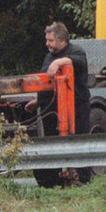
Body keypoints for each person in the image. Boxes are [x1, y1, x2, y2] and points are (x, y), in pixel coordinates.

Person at [41, 21, 91, 183]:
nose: (47, 43)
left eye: (50, 40)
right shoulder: (49, 56)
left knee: (80, 142)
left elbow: (77, 62)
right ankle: (54, 182)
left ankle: (83, 179)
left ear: (62, 41)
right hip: (53, 108)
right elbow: (44, 81)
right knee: (52, 142)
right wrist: (36, 101)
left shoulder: (76, 51)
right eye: (47, 40)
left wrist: (58, 62)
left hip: (77, 107)